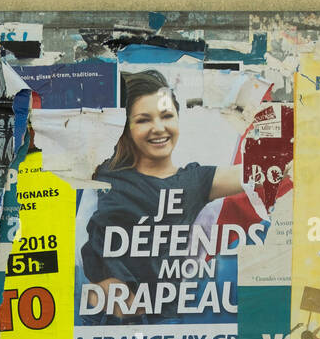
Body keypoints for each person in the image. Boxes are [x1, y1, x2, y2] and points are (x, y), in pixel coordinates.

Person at [80, 70, 247, 322]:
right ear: (125, 128)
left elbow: (256, 173)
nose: (158, 128)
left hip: (163, 326)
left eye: (167, 116)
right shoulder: (103, 172)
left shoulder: (194, 181)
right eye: (143, 120)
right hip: (100, 325)